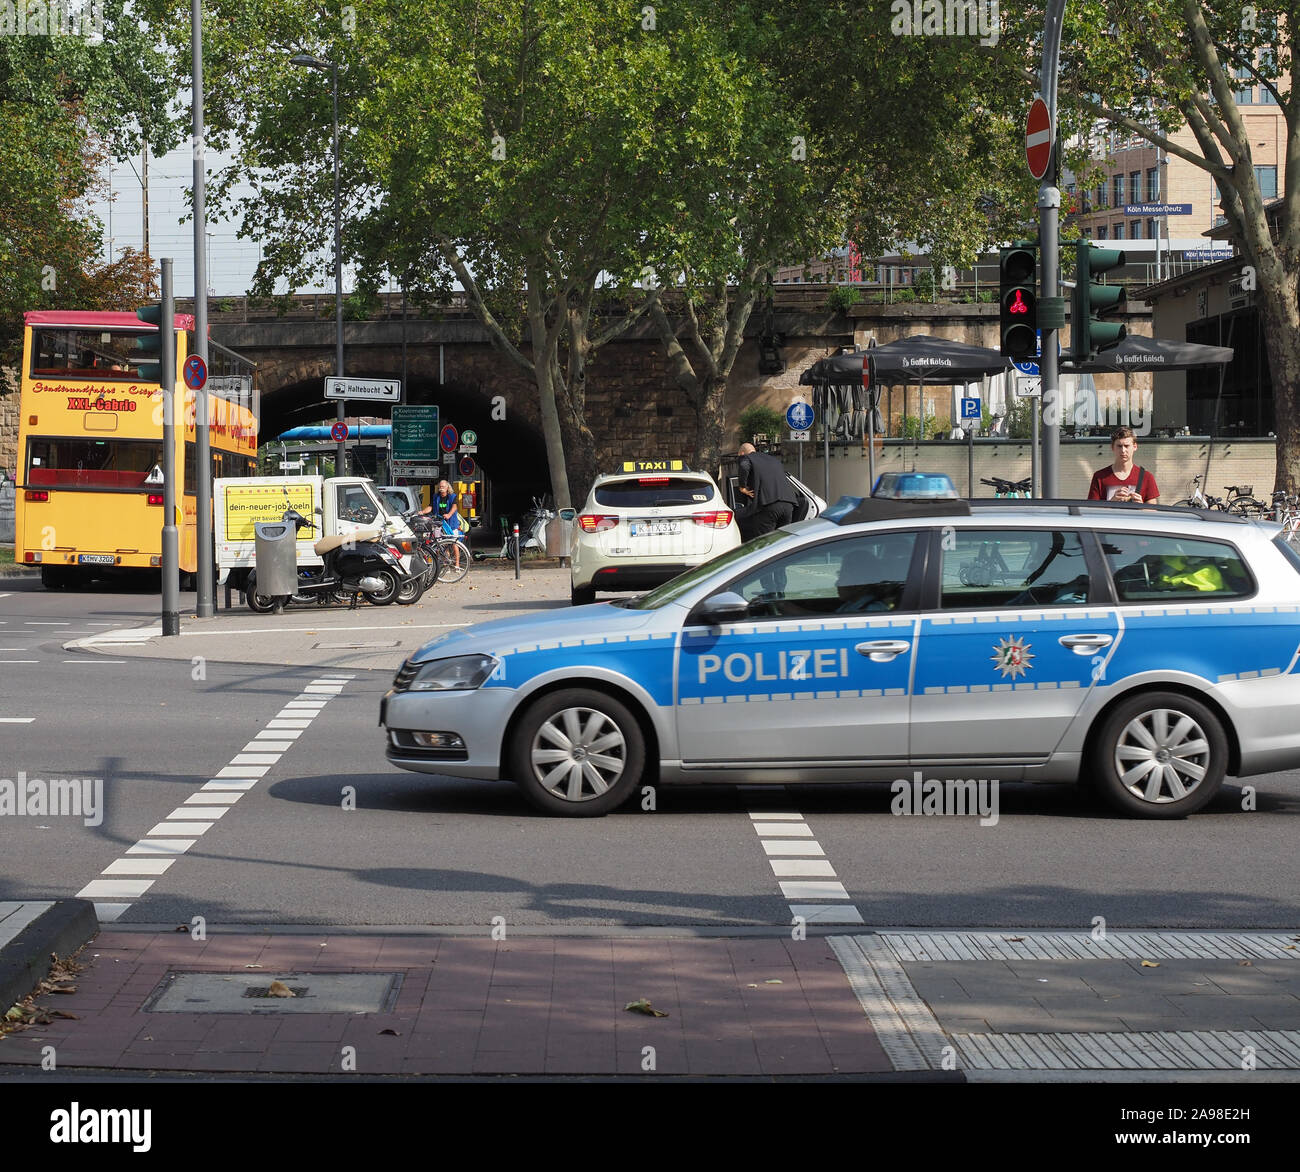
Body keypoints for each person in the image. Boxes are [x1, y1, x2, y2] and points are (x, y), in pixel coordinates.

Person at [736, 442, 795, 538]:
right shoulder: (773, 459)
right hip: (788, 505)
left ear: (742, 453)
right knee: (783, 541)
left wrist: (742, 488)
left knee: (765, 542)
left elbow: (743, 466)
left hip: (769, 505)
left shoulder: (747, 458)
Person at [1087, 425, 1159, 503]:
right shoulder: (1099, 477)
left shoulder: (1147, 477)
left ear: (1135, 447)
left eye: (1126, 446)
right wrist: (1112, 503)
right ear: (1112, 447)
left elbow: (1152, 511)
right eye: (1119, 446)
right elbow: (1092, 510)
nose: (1123, 450)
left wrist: (1141, 506)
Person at [420, 480, 465, 569]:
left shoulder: (452, 496)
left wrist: (449, 514)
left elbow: (454, 506)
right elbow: (431, 507)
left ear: (447, 488)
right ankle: (446, 564)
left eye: (443, 487)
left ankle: (457, 564)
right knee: (442, 545)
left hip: (451, 523)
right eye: (440, 487)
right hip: (439, 523)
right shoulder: (436, 496)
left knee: (454, 543)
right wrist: (422, 512)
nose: (441, 488)